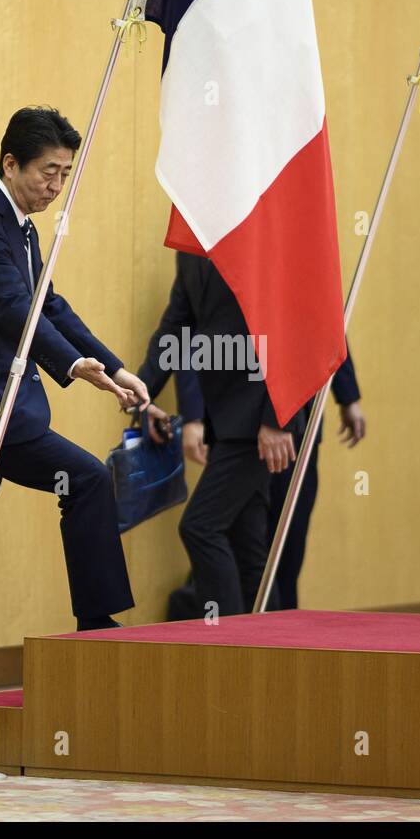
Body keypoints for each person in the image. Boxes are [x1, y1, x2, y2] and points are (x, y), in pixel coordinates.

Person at [0, 106, 149, 702]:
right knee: (87, 480)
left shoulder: (20, 225)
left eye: (65, 174)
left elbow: (50, 305)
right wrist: (71, 366)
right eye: (47, 172)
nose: (56, 186)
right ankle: (96, 625)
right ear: (10, 163)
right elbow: (14, 309)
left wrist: (112, 364)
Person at [135, 252, 303, 617]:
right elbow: (176, 325)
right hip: (227, 420)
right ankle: (271, 656)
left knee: (200, 527)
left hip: (260, 420)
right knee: (248, 548)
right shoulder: (192, 245)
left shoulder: (257, 232)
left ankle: (224, 645)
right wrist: (142, 392)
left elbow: (292, 321)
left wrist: (277, 418)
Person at [173, 349, 365, 611]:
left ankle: (280, 634)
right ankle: (234, 637)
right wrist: (193, 415)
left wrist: (348, 395)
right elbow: (189, 333)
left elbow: (322, 328)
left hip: (294, 427)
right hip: (236, 424)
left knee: (285, 541)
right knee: (241, 539)